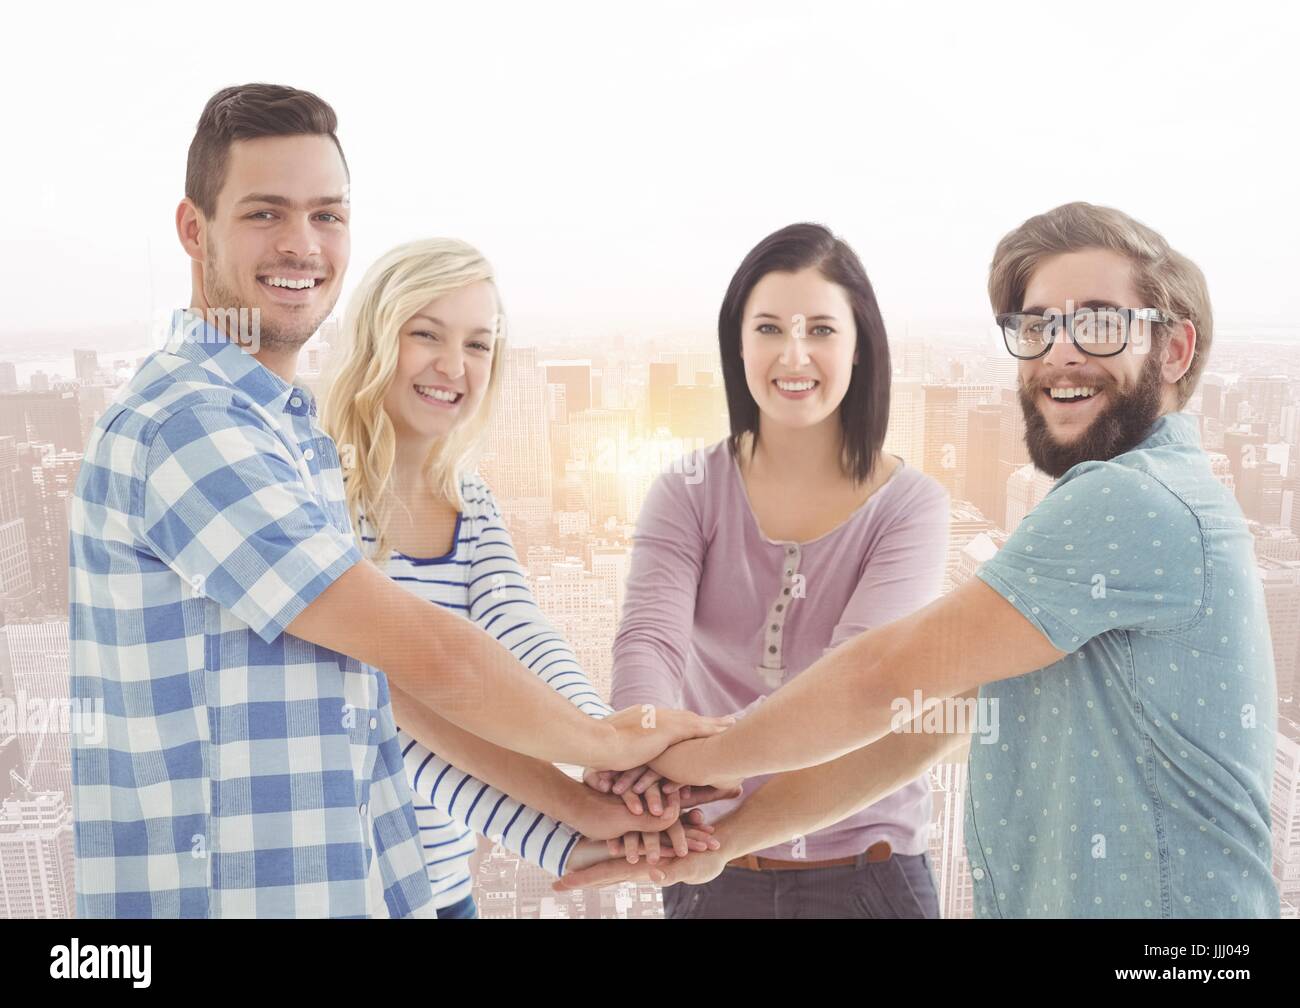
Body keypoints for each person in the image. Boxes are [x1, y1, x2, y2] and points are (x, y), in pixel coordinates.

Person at [68, 83, 727, 919]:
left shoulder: (293, 439)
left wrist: (608, 781)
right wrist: (605, 758)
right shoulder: (193, 428)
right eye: (265, 213)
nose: (302, 244)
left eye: (328, 215)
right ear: (194, 232)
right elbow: (421, 672)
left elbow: (493, 648)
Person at [562, 202, 1280, 919]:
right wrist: (728, 838)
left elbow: (878, 676)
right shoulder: (1117, 516)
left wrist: (674, 762)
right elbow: (919, 724)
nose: (1060, 352)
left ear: (1175, 351)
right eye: (1037, 327)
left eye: (1098, 322)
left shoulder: (1131, 499)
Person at [321, 238, 720, 917]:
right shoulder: (322, 499)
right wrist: (570, 827)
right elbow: (393, 715)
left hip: (443, 898)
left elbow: (523, 637)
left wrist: (609, 753)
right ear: (375, 339)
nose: (454, 365)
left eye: (479, 345)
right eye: (427, 335)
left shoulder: (469, 504)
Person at [597, 223, 954, 918]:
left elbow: (853, 685)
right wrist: (639, 752)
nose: (794, 354)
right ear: (738, 344)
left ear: (860, 348)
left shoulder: (911, 508)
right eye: (769, 328)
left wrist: (686, 765)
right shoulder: (688, 488)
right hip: (708, 869)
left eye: (821, 329)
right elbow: (649, 640)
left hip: (866, 875)